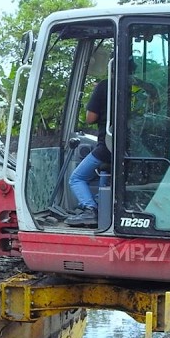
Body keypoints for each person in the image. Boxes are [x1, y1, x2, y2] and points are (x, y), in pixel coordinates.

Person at [66, 72, 111, 227]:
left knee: (76, 178)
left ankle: (90, 209)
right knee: (106, 176)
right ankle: (101, 207)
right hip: (126, 146)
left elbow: (90, 118)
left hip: (107, 146)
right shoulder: (134, 85)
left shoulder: (105, 85)